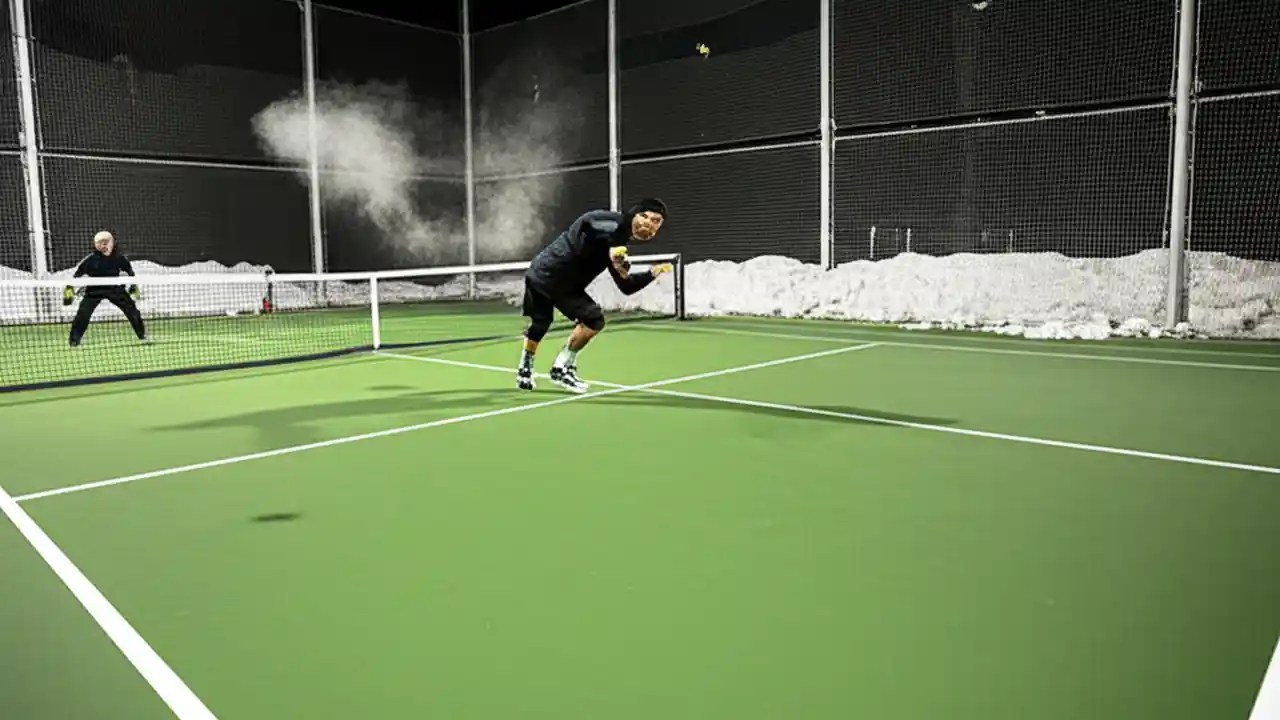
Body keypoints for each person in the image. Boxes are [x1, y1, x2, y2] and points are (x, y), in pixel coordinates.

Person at [518, 198, 672, 393]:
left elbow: (626, 286)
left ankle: (540, 368)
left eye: (656, 221)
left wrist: (652, 273)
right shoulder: (612, 226)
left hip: (555, 279)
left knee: (547, 322)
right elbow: (587, 221)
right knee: (585, 319)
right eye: (644, 216)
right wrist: (615, 245)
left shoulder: (615, 248)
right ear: (633, 215)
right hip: (550, 273)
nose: (648, 223)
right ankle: (557, 368)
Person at [66, 230, 150, 347]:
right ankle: (74, 340)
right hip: (94, 290)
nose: (104, 245)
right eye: (101, 242)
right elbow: (76, 275)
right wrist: (70, 291)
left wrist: (133, 287)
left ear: (112, 243)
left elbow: (130, 273)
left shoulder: (120, 259)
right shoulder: (90, 260)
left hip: (115, 289)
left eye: (107, 242)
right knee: (83, 314)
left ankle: (142, 335)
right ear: (96, 245)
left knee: (132, 311)